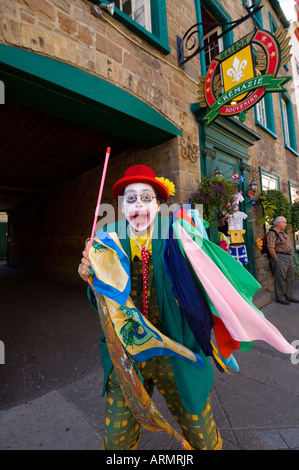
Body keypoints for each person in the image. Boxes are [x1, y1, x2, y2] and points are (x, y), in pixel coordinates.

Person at [78, 165, 222, 450]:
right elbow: (101, 303)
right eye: (131, 199)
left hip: (176, 347)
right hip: (128, 352)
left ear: (158, 204)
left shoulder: (179, 233)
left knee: (201, 432)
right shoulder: (107, 236)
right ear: (122, 206)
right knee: (118, 440)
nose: (138, 205)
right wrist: (91, 280)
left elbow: (207, 279)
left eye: (146, 197)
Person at [267, 216, 299, 305]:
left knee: (290, 277)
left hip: (288, 257)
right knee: (280, 278)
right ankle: (280, 297)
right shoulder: (272, 233)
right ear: (278, 223)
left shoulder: (283, 232)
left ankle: (289, 295)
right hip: (280, 257)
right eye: (284, 222)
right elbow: (270, 247)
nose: (285, 224)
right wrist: (276, 259)